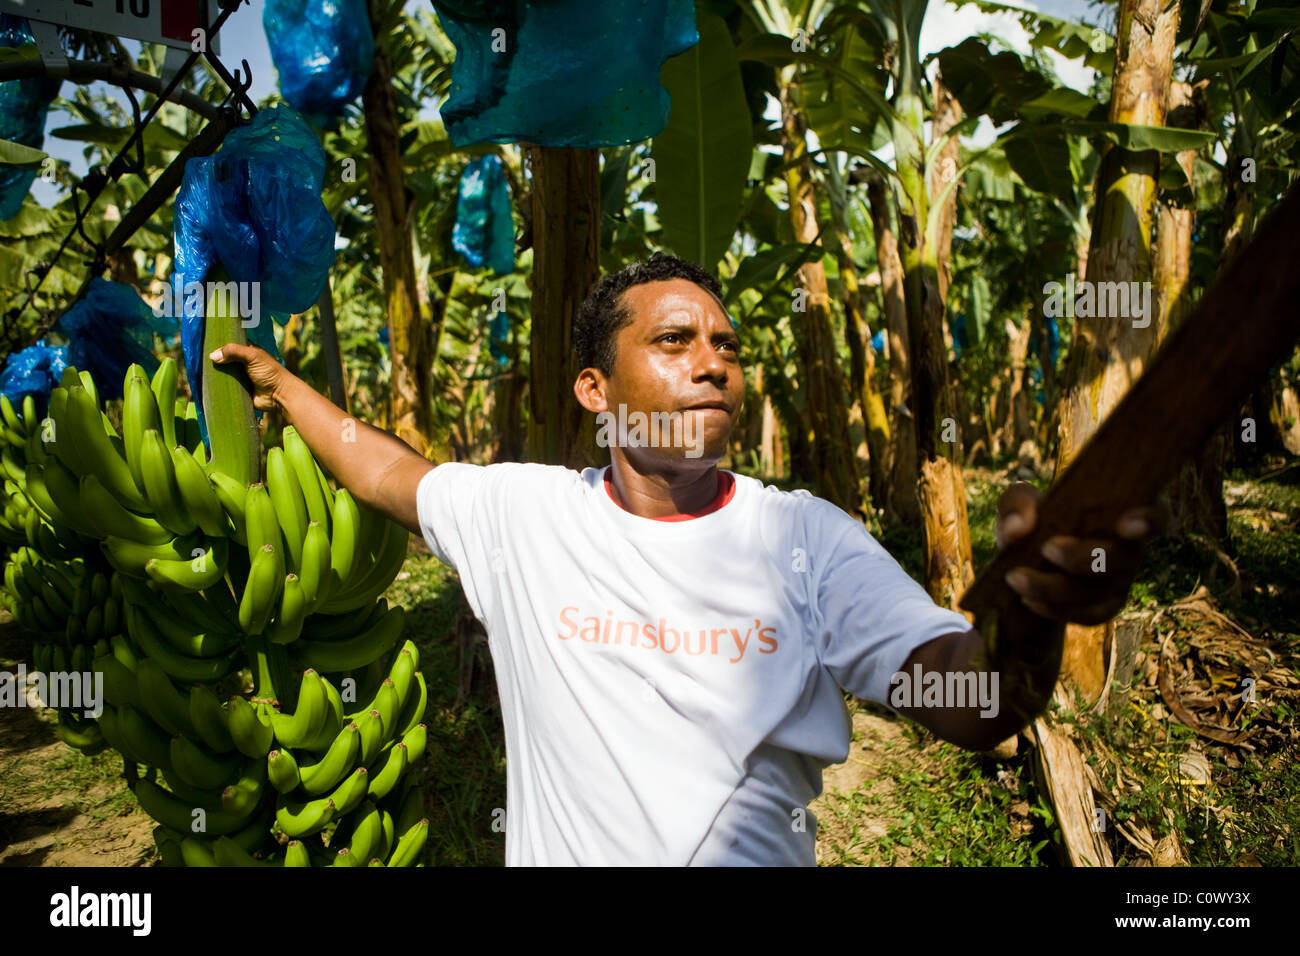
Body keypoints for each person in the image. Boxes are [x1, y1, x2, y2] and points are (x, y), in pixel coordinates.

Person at [211, 252, 1164, 866]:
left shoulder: (807, 539)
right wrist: (284, 384)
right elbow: (387, 471)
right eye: (674, 341)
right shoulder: (522, 514)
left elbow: (971, 704)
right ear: (595, 388)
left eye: (726, 345)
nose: (713, 362)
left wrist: (1030, 619)